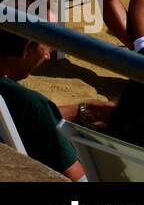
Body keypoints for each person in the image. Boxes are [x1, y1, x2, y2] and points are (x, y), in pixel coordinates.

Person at [0, 23, 113, 180]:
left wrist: (80, 110)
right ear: (29, 48)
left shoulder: (14, 97)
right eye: (45, 44)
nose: (47, 55)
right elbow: (79, 178)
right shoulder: (29, 102)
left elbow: (26, 116)